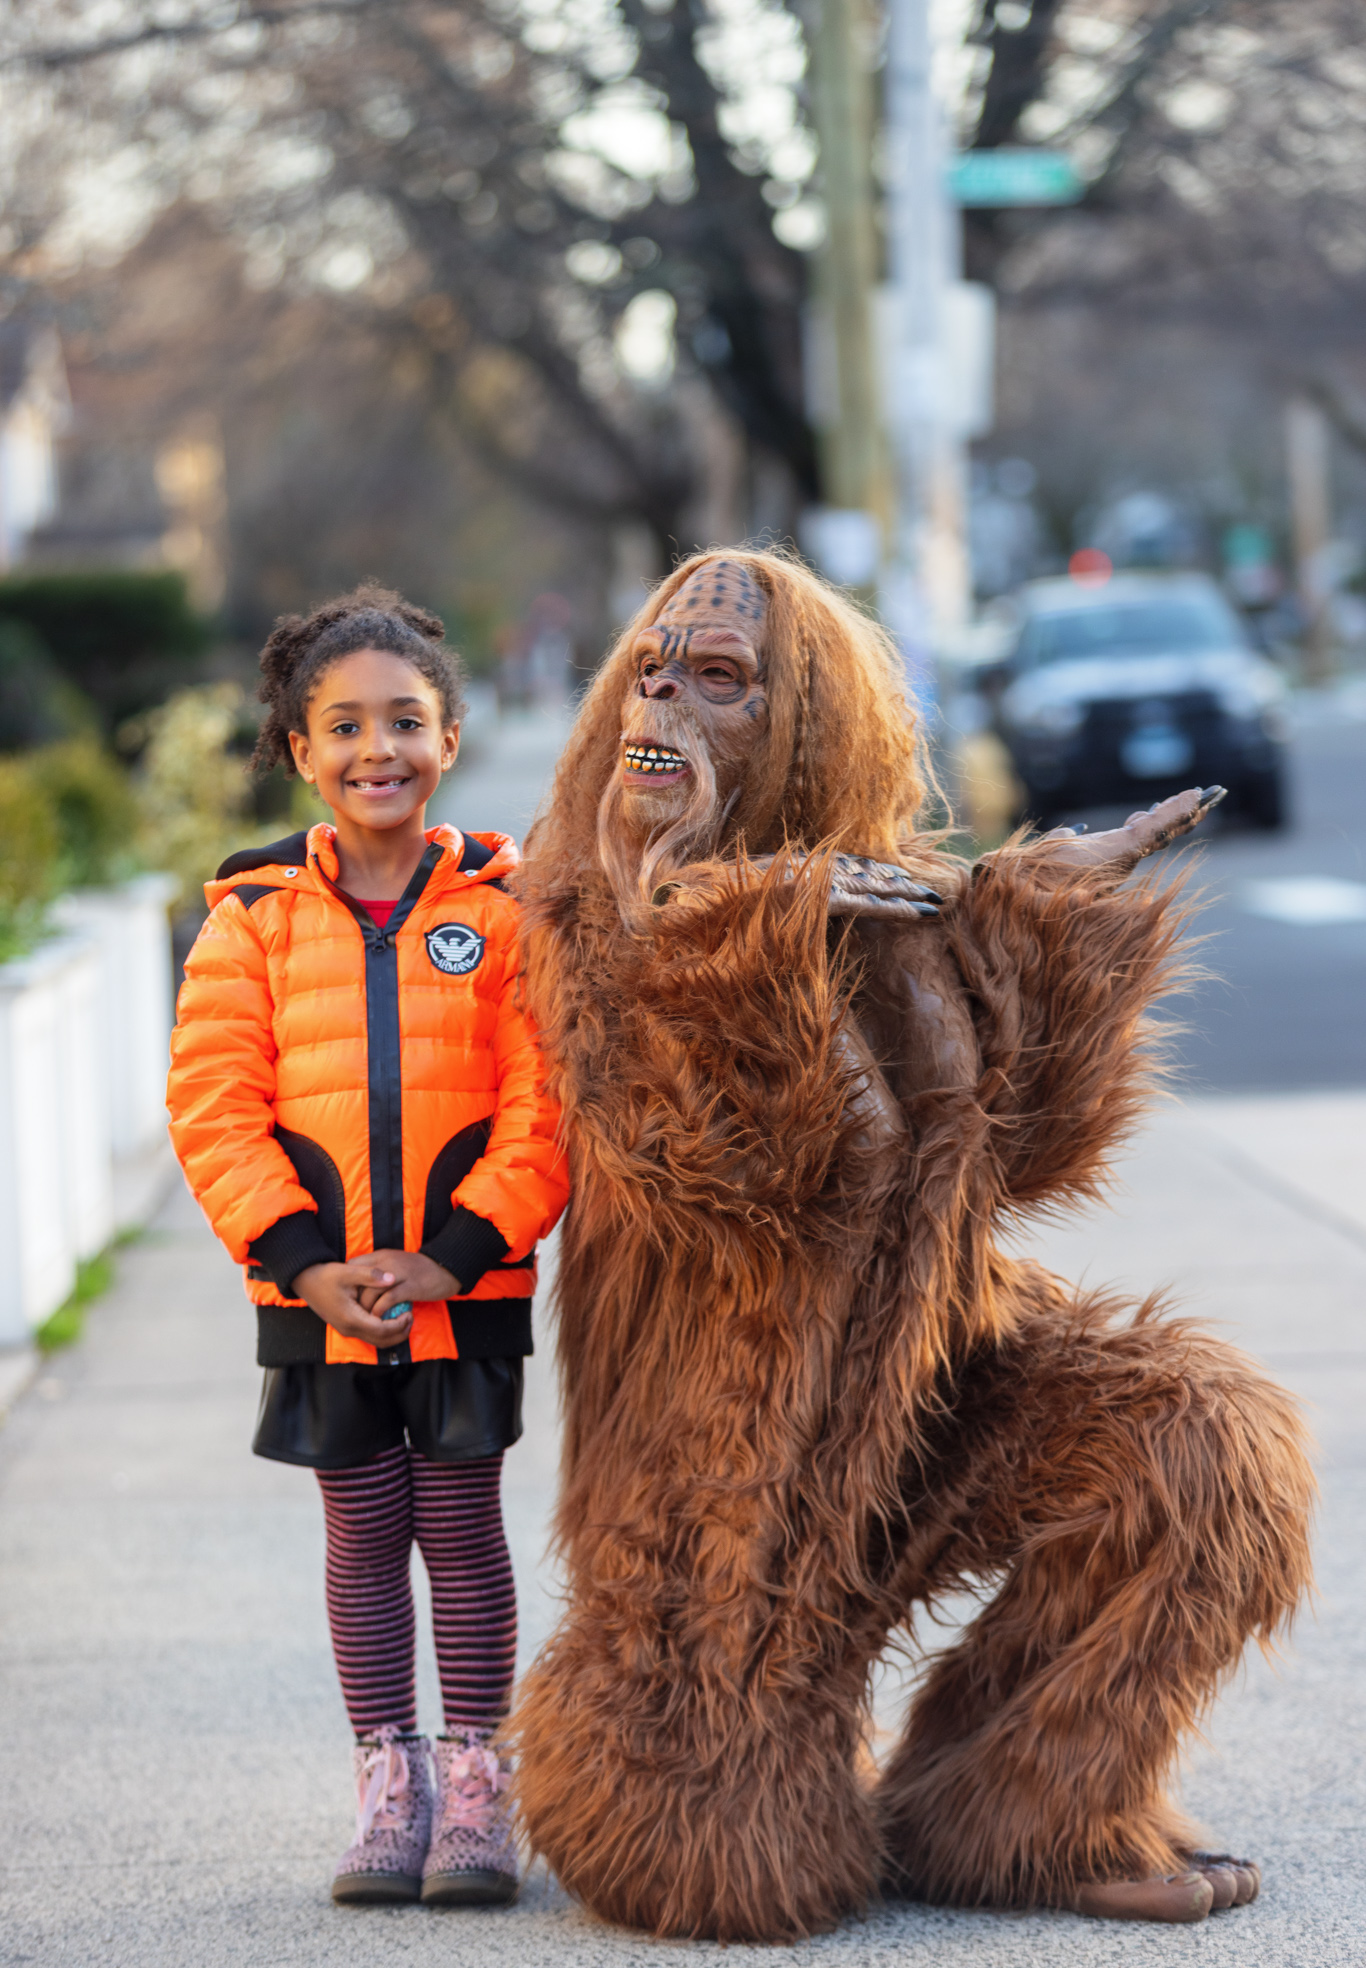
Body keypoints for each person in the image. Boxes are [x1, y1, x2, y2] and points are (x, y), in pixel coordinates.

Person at [510, 548, 1312, 1941]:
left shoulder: (882, 900)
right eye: (651, 669)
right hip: (729, 1491)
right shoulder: (598, 909)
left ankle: (1020, 1815)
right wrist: (710, 920)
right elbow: (715, 1178)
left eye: (720, 683)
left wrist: (1038, 922)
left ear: (807, 731)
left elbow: (1031, 1152)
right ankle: (704, 1749)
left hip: (926, 1395)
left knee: (1205, 1445)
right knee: (723, 1864)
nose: (667, 703)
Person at [167, 585, 568, 1908]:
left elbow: (547, 1102)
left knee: (459, 1526)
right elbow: (213, 1108)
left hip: (467, 1286)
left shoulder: (506, 910)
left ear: (450, 737)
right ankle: (385, 1781)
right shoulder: (252, 918)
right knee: (360, 1532)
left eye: (405, 721)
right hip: (317, 1292)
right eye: (343, 727)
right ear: (298, 750)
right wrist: (300, 1260)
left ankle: (473, 1784)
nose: (374, 751)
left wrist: (460, 1251)